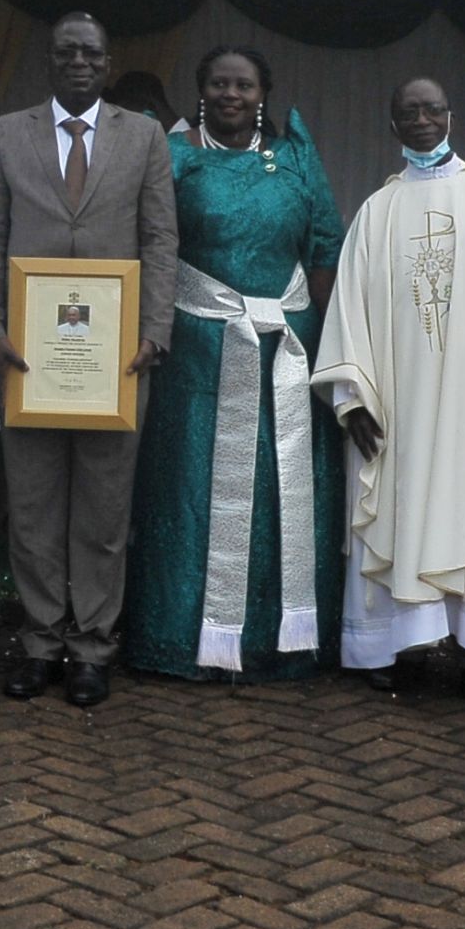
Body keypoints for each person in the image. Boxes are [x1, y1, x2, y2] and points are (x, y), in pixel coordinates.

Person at [313, 78, 465, 709]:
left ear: (452, 115)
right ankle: (402, 645)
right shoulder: (375, 211)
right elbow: (349, 313)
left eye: (431, 109)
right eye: (407, 113)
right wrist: (351, 398)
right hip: (399, 404)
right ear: (392, 128)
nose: (420, 120)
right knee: (398, 503)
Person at [0, 13, 180, 707]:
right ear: (50, 62)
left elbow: (159, 237)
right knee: (30, 507)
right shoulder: (6, 133)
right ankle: (39, 642)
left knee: (102, 509)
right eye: (67, 52)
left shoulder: (144, 135)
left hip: (116, 360)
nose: (80, 62)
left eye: (92, 51)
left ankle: (92, 647)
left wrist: (155, 329)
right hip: (26, 355)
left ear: (109, 60)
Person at [128, 48, 343, 681]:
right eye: (218, 83)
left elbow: (326, 243)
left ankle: (285, 639)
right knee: (192, 490)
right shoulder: (173, 156)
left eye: (243, 84)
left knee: (282, 492)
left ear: (262, 93)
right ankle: (185, 639)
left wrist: (332, 338)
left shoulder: (297, 156)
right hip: (198, 355)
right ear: (200, 91)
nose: (231, 94)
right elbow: (146, 244)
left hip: (288, 350)